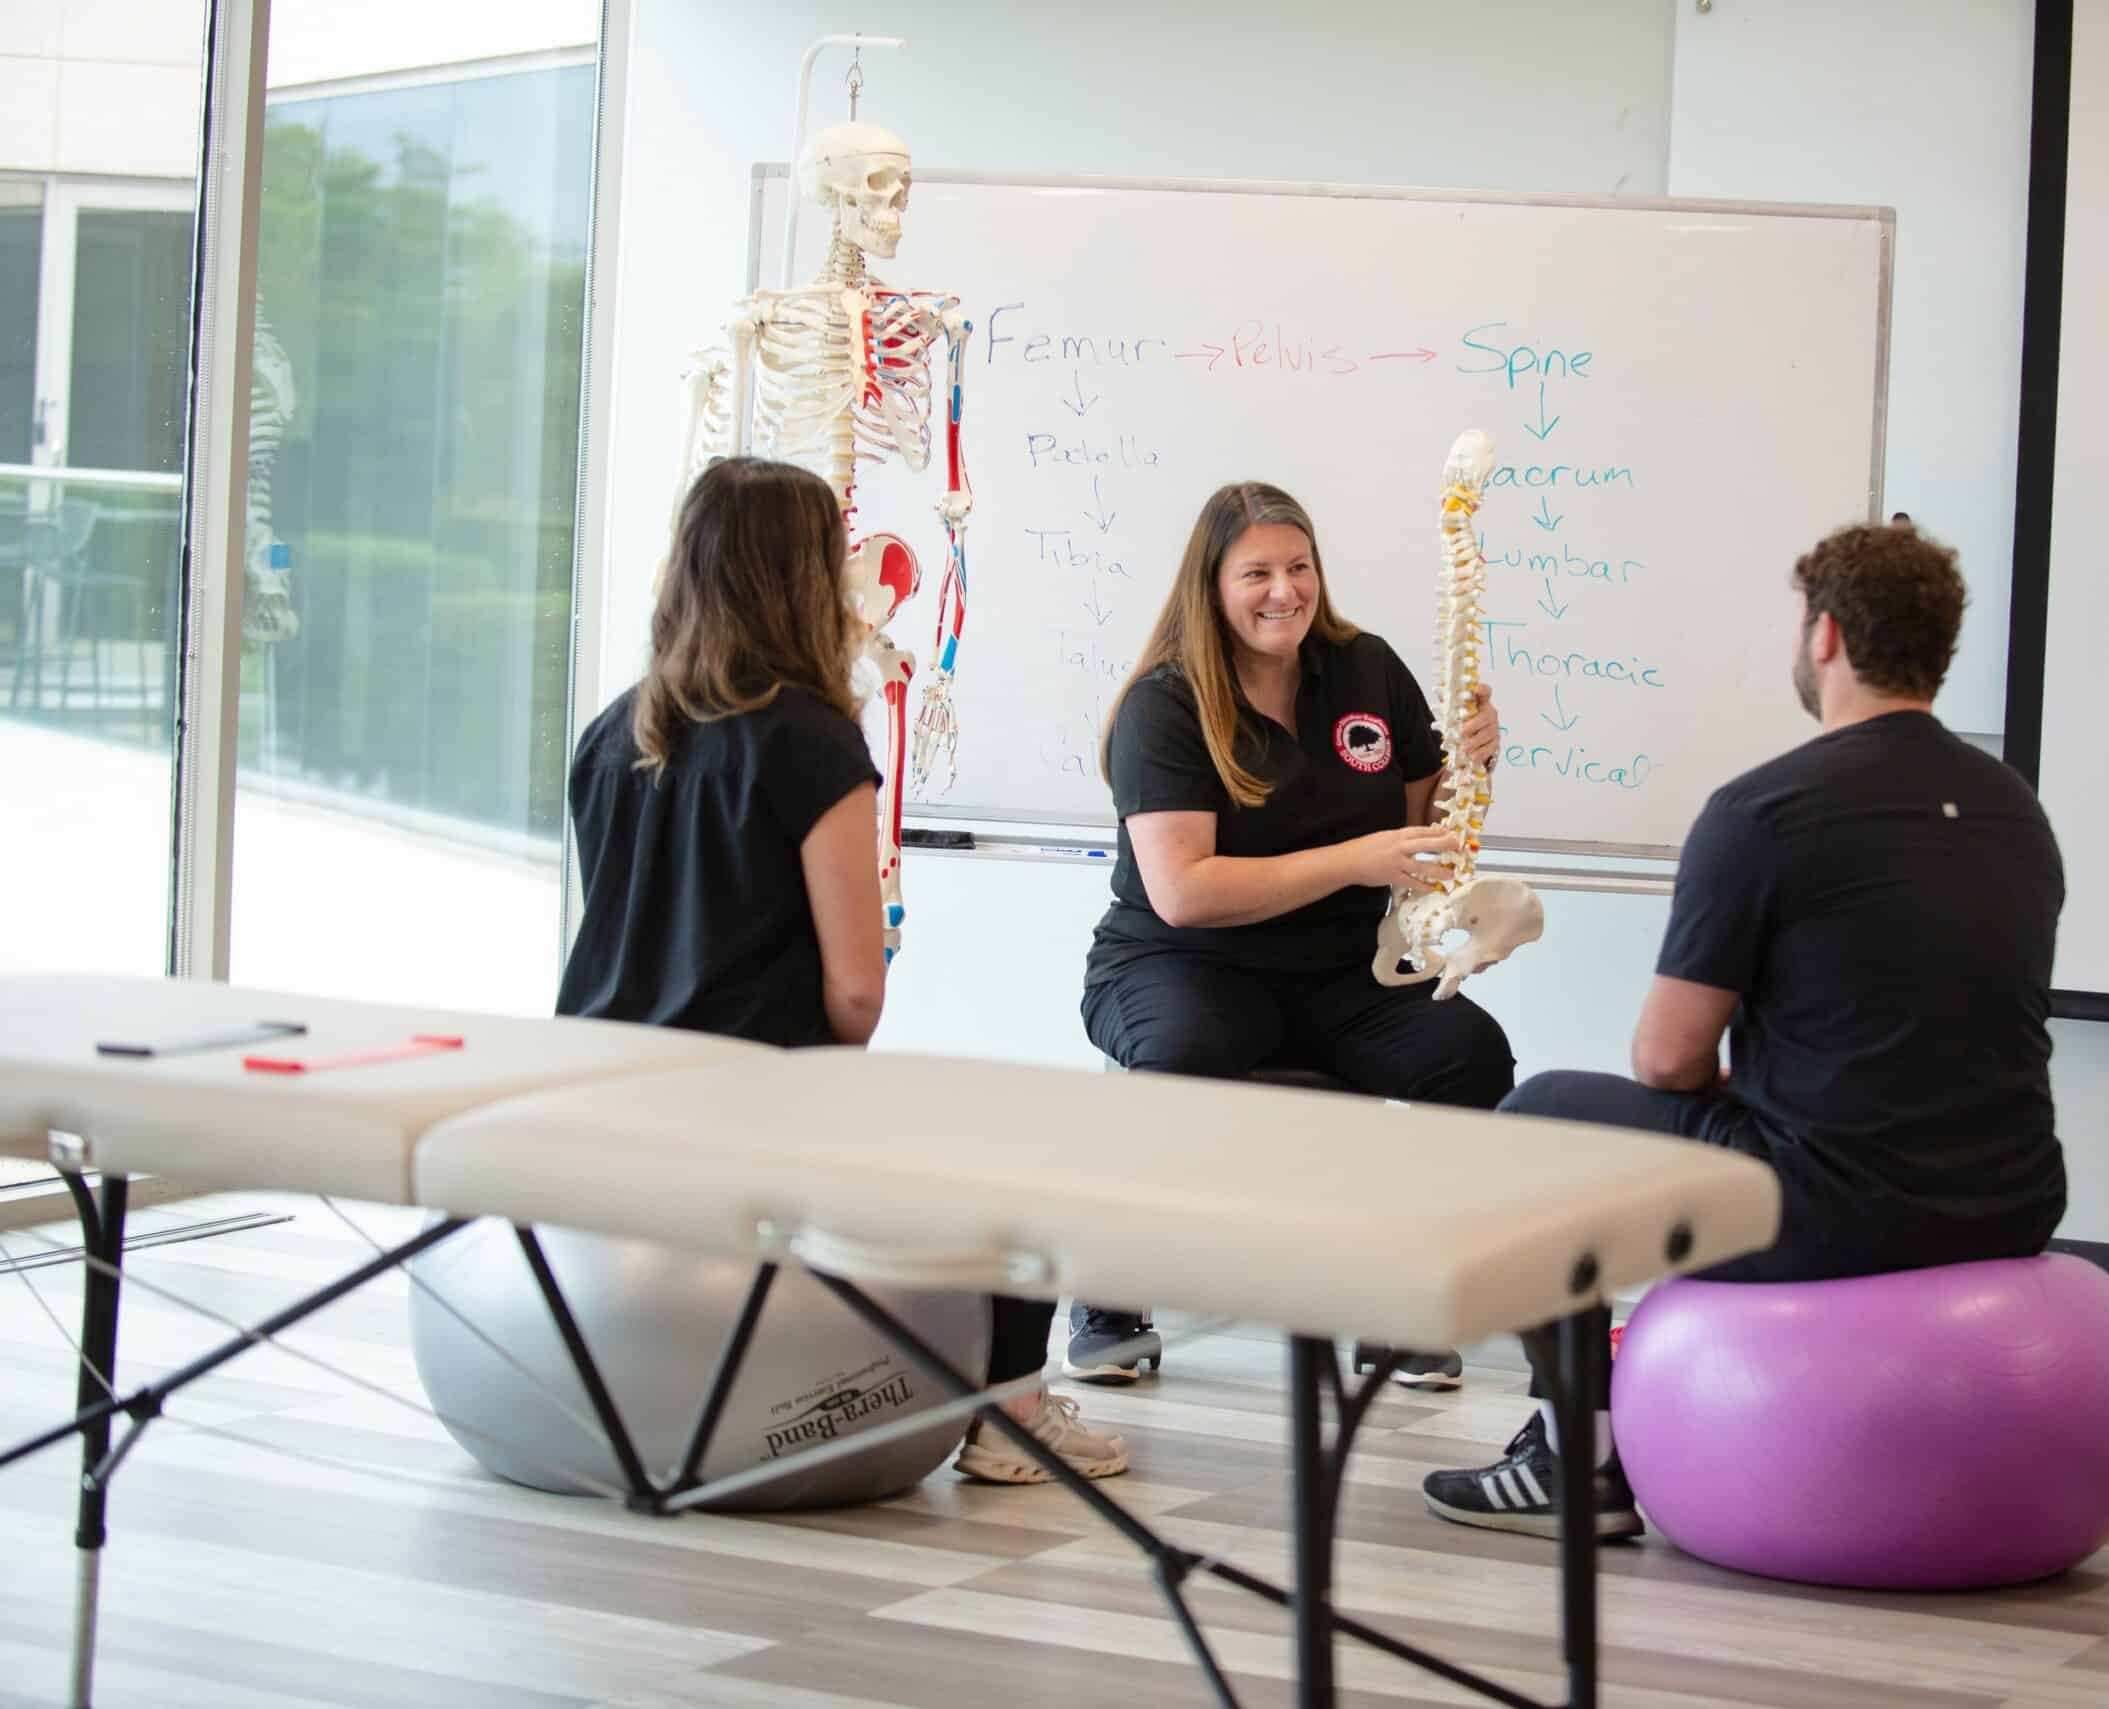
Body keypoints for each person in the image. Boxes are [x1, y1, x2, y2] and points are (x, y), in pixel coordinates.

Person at [1420, 520, 2069, 1539]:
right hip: (2011, 1199)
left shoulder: (1764, 811)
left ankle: (1572, 1459)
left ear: (1826, 635)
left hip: (1826, 1209)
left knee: (1535, 1116)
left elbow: (1665, 1057)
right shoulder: (2013, 809)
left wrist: (1736, 1090)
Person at [555, 455, 1126, 1486]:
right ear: (805, 578)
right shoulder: (811, 740)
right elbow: (857, 993)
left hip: (604, 1097)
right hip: (753, 1104)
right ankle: (1012, 1415)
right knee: (1025, 1141)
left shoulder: (614, 730)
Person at [1061, 480, 1518, 1391]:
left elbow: (1421, 833)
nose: (1286, 591)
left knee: (1468, 1054)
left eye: (1299, 566)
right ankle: (1110, 1292)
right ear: (1211, 585)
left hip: (1337, 967)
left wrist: (1473, 764)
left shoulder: (1365, 667)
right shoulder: (1164, 704)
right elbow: (1184, 892)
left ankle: (1403, 1302)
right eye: (1257, 573)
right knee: (1183, 1051)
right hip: (1179, 960)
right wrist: (1353, 859)